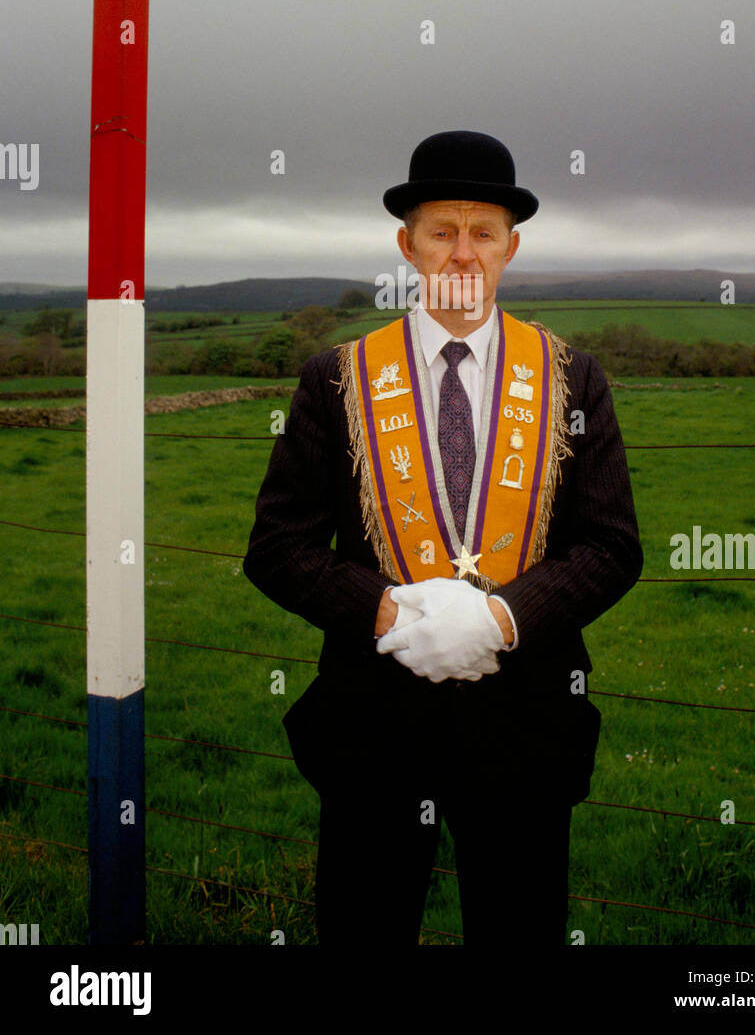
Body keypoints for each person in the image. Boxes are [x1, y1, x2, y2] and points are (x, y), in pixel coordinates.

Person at [243, 129, 642, 946]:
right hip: (371, 719)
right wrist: (388, 615)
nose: (463, 253)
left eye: (483, 232)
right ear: (407, 244)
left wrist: (498, 620)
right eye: (441, 231)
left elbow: (609, 546)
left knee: (519, 928)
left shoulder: (573, 376)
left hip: (526, 717)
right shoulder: (334, 377)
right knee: (363, 926)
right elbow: (276, 546)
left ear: (510, 248)